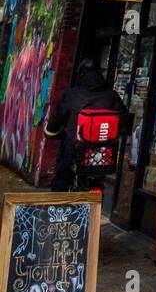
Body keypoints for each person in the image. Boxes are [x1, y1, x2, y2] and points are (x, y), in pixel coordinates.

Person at [45, 58, 131, 192]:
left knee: (60, 184)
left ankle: (58, 208)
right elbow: (125, 122)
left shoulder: (72, 94)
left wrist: (51, 130)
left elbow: (58, 118)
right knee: (96, 183)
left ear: (81, 74)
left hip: (72, 150)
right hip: (101, 155)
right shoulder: (112, 96)